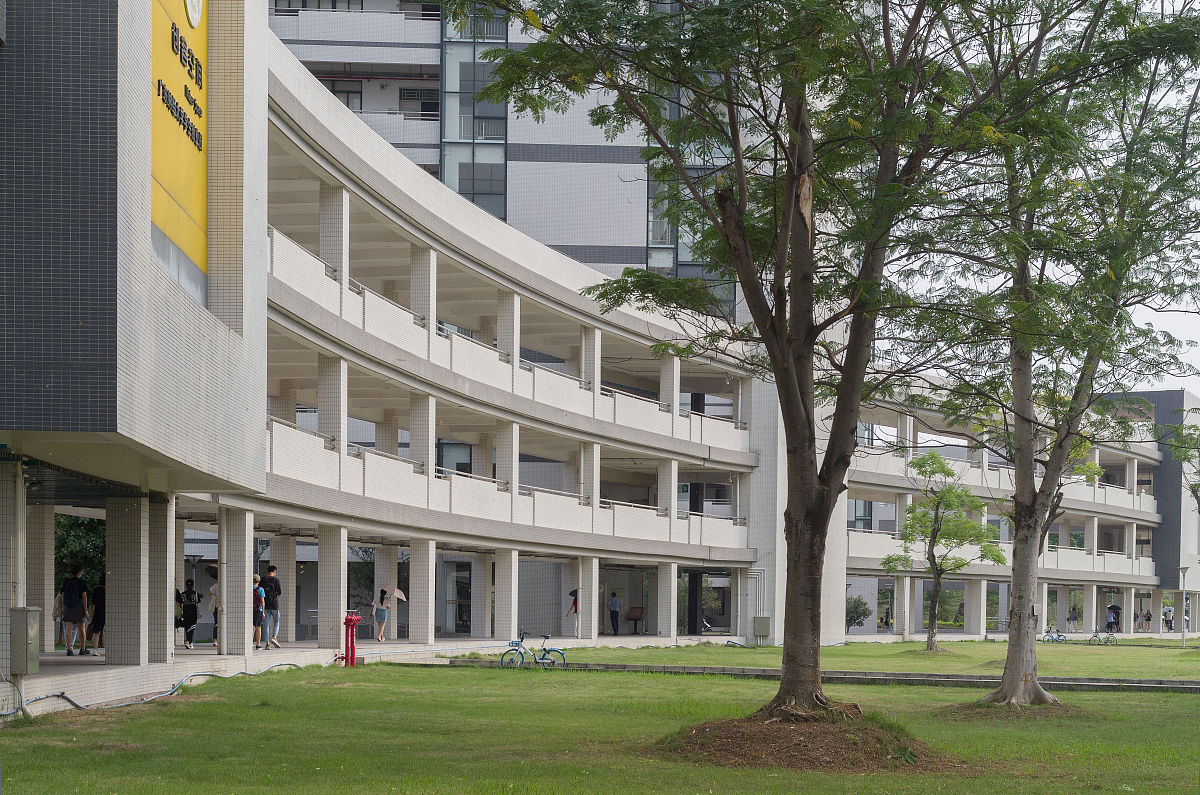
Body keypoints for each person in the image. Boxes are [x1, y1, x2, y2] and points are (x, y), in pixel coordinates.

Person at [60, 565, 90, 656]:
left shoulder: (66, 582)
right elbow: (84, 597)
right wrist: (86, 611)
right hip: (79, 606)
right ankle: (82, 648)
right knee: (81, 628)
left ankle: (69, 649)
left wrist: (63, 607)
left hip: (68, 607)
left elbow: (62, 595)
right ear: (79, 572)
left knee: (69, 628)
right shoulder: (82, 582)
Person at [261, 565, 283, 649]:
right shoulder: (276, 580)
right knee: (276, 622)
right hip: (274, 605)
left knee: (266, 624)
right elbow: (279, 593)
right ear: (274, 571)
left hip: (265, 605)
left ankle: (267, 644)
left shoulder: (263, 579)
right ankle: (274, 637)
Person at [176, 579, 202, 650]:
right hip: (193, 613)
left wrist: (182, 608)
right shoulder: (196, 593)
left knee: (187, 628)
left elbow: (178, 603)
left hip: (186, 613)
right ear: (193, 585)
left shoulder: (183, 594)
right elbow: (198, 603)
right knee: (192, 628)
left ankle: (189, 643)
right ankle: (188, 642)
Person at [89, 573, 106, 655]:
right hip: (107, 612)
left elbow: (93, 603)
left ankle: (95, 650)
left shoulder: (97, 589)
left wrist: (92, 615)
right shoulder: (109, 590)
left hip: (98, 613)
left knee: (97, 632)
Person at [252, 574, 266, 650]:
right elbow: (262, 601)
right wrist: (263, 611)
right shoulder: (260, 589)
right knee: (258, 627)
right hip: (258, 610)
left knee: (251, 627)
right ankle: (258, 644)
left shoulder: (248, 588)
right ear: (259, 581)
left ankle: (249, 643)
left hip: (250, 610)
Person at [208, 573, 221, 651]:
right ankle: (221, 639)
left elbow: (209, 592)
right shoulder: (226, 585)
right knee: (223, 623)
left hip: (216, 606)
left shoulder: (216, 585)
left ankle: (215, 640)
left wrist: (214, 596)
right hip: (224, 607)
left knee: (216, 623)